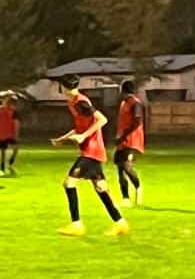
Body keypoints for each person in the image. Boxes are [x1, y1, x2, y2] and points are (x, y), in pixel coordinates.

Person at [52, 82, 129, 237]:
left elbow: (102, 119)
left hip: (91, 152)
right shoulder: (75, 102)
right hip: (93, 151)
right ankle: (121, 223)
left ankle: (76, 225)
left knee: (69, 184)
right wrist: (63, 138)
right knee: (101, 188)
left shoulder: (81, 102)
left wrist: (83, 136)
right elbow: (80, 127)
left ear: (64, 88)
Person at [113, 79, 146, 206]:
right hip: (122, 140)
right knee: (120, 168)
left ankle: (138, 188)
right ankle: (125, 198)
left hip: (132, 140)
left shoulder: (135, 103)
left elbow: (137, 122)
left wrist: (124, 135)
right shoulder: (123, 103)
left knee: (126, 166)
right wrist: (119, 136)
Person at [0, 91, 20, 176]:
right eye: (5, 98)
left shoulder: (13, 110)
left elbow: (16, 123)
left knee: (15, 149)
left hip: (10, 133)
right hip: (1, 133)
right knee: (2, 152)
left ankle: (10, 164)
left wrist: (16, 134)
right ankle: (2, 169)